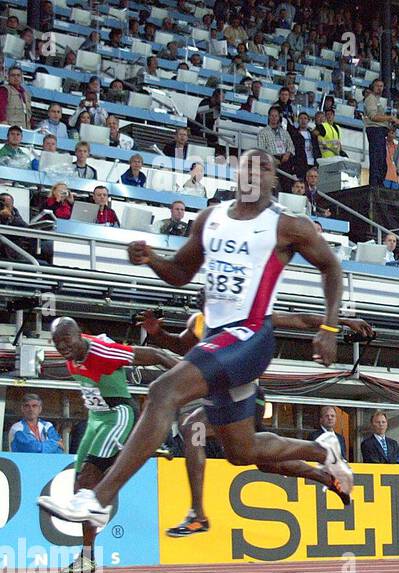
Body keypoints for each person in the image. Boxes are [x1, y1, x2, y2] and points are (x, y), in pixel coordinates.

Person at [38, 150, 354, 528]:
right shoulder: (211, 219)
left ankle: (99, 499)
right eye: (248, 164)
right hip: (220, 339)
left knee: (162, 392)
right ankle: (325, 451)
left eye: (265, 166)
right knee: (242, 450)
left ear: (274, 180)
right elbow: (180, 273)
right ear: (236, 174)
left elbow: (331, 267)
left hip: (252, 335)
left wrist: (330, 327)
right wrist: (151, 258)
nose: (255, 171)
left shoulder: (288, 225)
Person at [137, 304, 371, 536]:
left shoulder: (244, 314)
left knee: (193, 427)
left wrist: (341, 321)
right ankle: (324, 473)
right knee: (261, 460)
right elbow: (180, 345)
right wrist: (157, 333)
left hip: (245, 394)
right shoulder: (198, 322)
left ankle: (198, 513)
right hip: (220, 398)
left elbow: (299, 319)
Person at [49, 317, 178, 573]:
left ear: (80, 336)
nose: (63, 347)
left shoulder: (103, 350)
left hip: (119, 414)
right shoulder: (72, 356)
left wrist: (194, 379)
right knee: (80, 491)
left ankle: (140, 444)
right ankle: (87, 557)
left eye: (67, 340)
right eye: (57, 342)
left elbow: (156, 354)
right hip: (96, 420)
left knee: (89, 480)